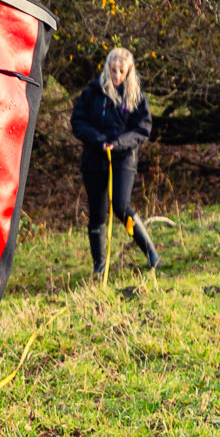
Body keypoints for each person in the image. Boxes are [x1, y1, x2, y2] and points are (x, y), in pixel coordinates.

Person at [70, 47, 158, 277]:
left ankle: (151, 253)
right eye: (112, 70)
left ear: (128, 72)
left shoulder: (136, 97)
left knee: (120, 205)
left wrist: (119, 143)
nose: (116, 75)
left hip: (123, 158)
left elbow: (142, 129)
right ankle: (99, 266)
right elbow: (77, 121)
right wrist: (98, 140)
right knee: (97, 213)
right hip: (94, 158)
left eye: (121, 71)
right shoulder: (92, 92)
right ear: (106, 68)